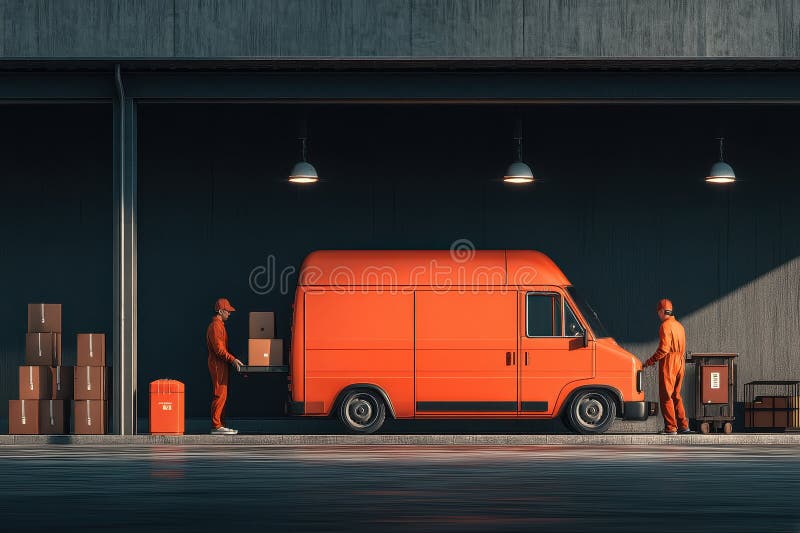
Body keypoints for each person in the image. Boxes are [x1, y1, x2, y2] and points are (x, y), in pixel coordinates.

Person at [644, 298, 693, 435]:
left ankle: (671, 428)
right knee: (676, 395)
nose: (658, 315)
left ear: (661, 311)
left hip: (669, 362)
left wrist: (650, 361)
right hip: (680, 361)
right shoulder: (679, 326)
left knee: (666, 396)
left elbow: (664, 349)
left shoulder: (665, 326)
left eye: (658, 312)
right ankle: (684, 426)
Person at [207, 297, 244, 435]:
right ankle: (217, 425)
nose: (230, 313)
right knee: (220, 393)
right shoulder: (216, 326)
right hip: (218, 364)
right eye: (228, 311)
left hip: (221, 364)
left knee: (222, 394)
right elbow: (219, 350)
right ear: (221, 311)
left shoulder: (219, 325)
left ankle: (220, 424)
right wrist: (233, 360)